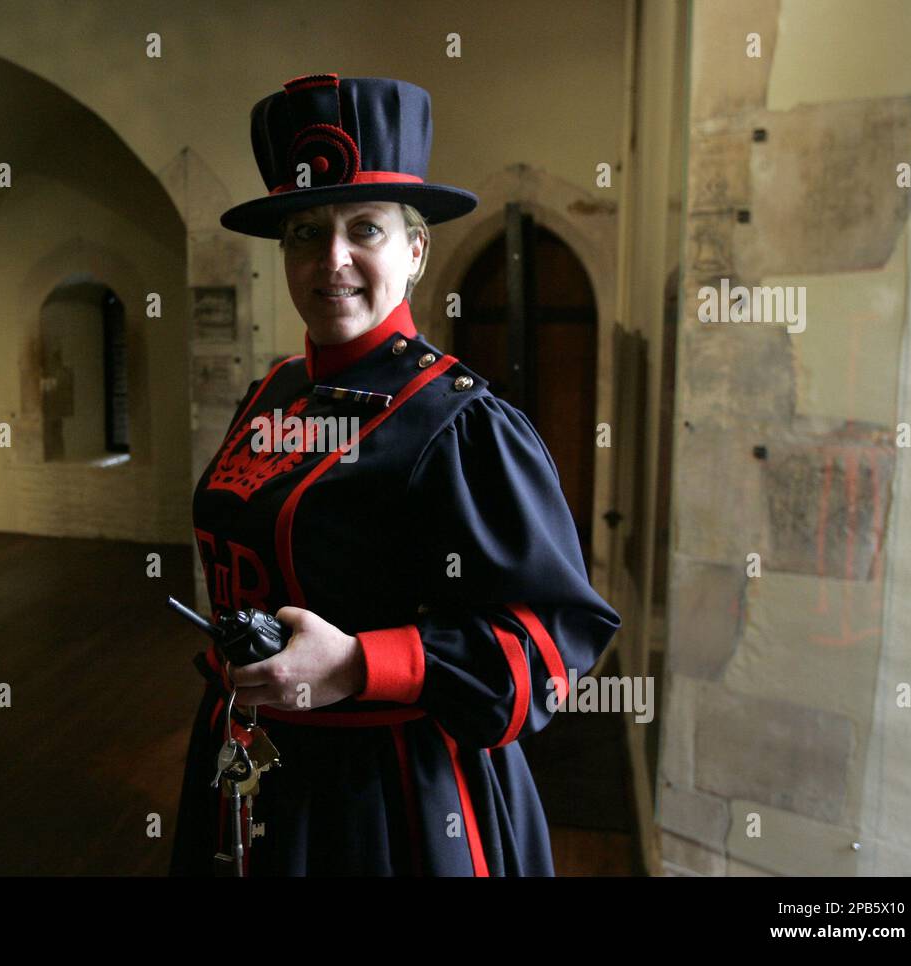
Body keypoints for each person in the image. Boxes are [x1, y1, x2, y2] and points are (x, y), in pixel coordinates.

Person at [169, 73, 621, 876]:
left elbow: (550, 650)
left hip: (389, 806)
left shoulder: (459, 424)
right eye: (307, 232)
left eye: (364, 229)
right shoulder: (271, 391)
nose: (331, 258)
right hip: (251, 766)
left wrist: (356, 665)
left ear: (414, 251)